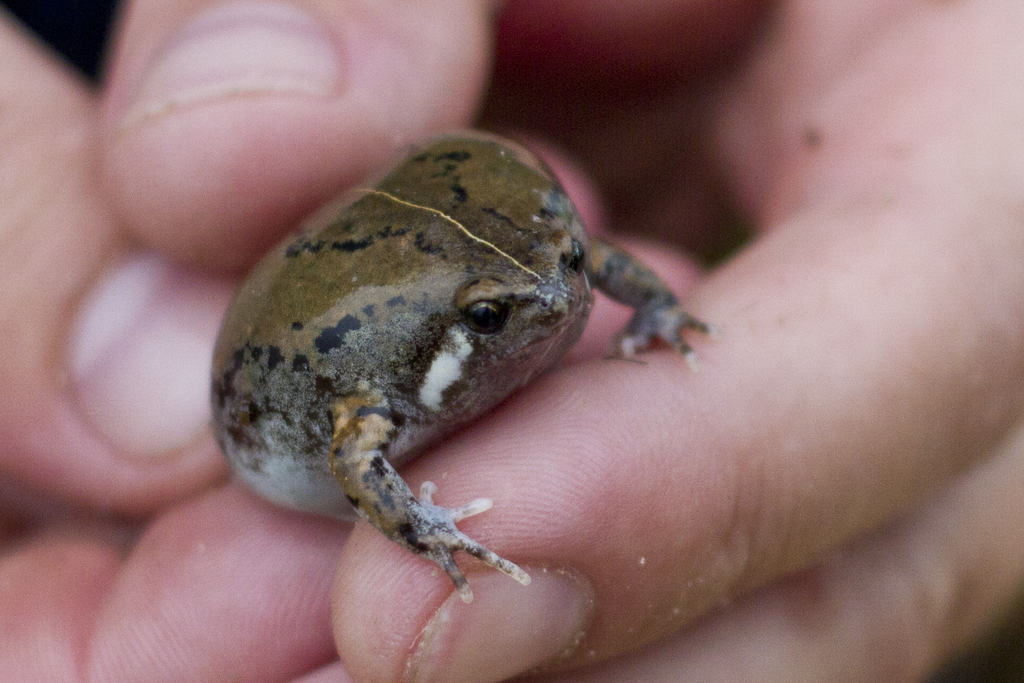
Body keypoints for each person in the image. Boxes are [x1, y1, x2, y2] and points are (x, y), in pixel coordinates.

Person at [2, 0, 1022, 681]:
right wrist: (426, 529)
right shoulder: (376, 394)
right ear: (452, 334)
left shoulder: (549, 271)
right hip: (263, 397)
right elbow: (358, 455)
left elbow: (589, 266)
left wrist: (654, 307)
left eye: (567, 261)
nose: (559, 296)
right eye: (497, 316)